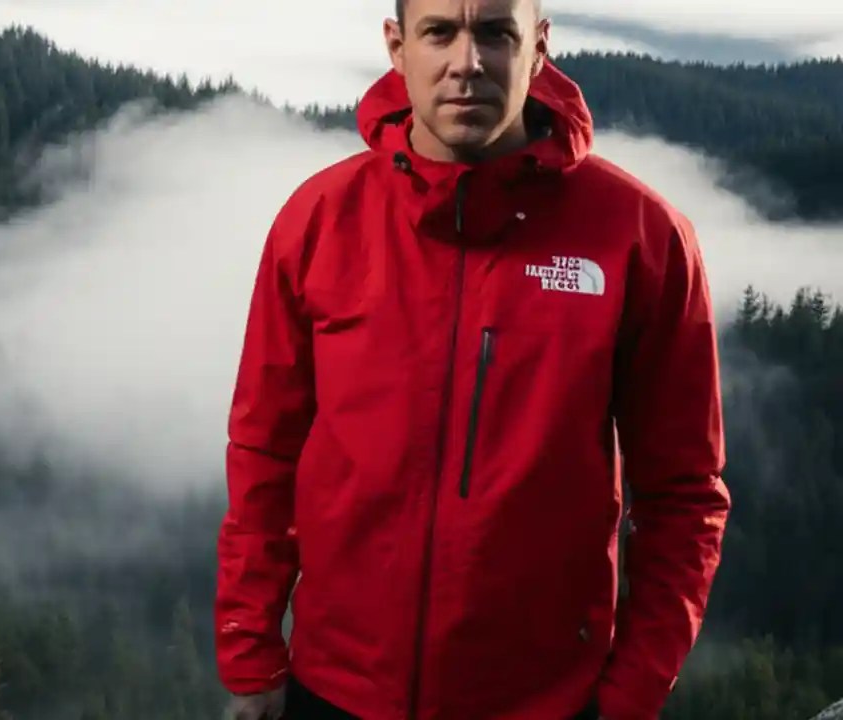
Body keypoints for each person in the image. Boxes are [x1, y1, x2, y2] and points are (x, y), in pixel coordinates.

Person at [214, 0, 732, 718]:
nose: (468, 62)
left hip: (544, 702)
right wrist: (249, 652)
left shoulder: (641, 239)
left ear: (539, 46)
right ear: (397, 47)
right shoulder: (319, 222)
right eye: (440, 32)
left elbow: (684, 493)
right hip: (336, 691)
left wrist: (634, 691)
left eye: (495, 32)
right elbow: (265, 454)